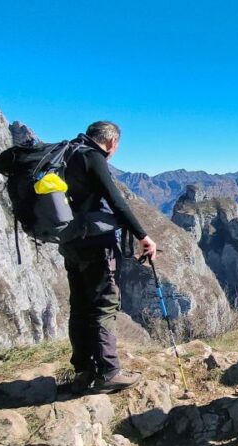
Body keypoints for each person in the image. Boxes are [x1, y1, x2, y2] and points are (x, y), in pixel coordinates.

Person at [61, 121, 157, 394]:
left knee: (79, 306)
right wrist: (143, 236)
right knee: (103, 306)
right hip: (96, 245)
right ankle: (109, 373)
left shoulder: (67, 154)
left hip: (70, 243)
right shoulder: (92, 157)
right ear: (112, 143)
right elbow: (117, 200)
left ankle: (83, 370)